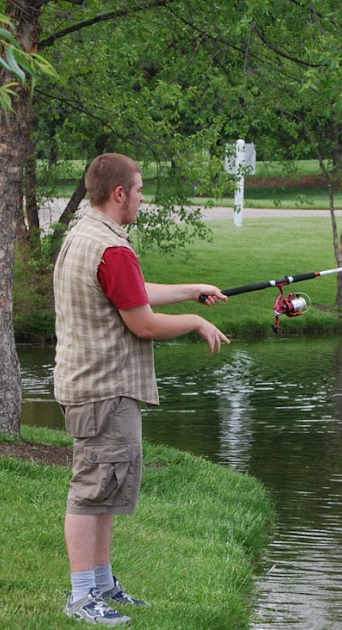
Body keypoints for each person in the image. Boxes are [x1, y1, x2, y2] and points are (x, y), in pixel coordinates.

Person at [53, 153, 230, 625]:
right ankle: (80, 596)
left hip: (97, 384)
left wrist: (190, 290)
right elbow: (143, 324)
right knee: (90, 492)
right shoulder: (110, 248)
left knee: (107, 490)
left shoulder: (87, 234)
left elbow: (131, 289)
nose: (142, 197)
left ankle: (103, 584)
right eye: (139, 189)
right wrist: (195, 321)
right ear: (119, 194)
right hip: (101, 388)